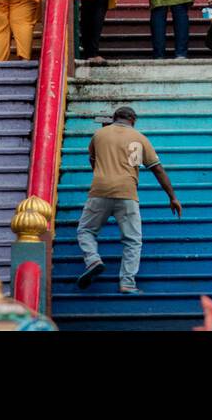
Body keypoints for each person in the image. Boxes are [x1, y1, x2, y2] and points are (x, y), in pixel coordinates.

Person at [76, 106, 182, 295]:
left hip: (99, 191)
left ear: (114, 118)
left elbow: (93, 160)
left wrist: (104, 177)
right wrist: (172, 197)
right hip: (127, 193)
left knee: (85, 230)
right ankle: (127, 283)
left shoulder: (99, 135)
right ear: (133, 120)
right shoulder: (139, 138)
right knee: (132, 240)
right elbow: (156, 168)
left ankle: (93, 260)